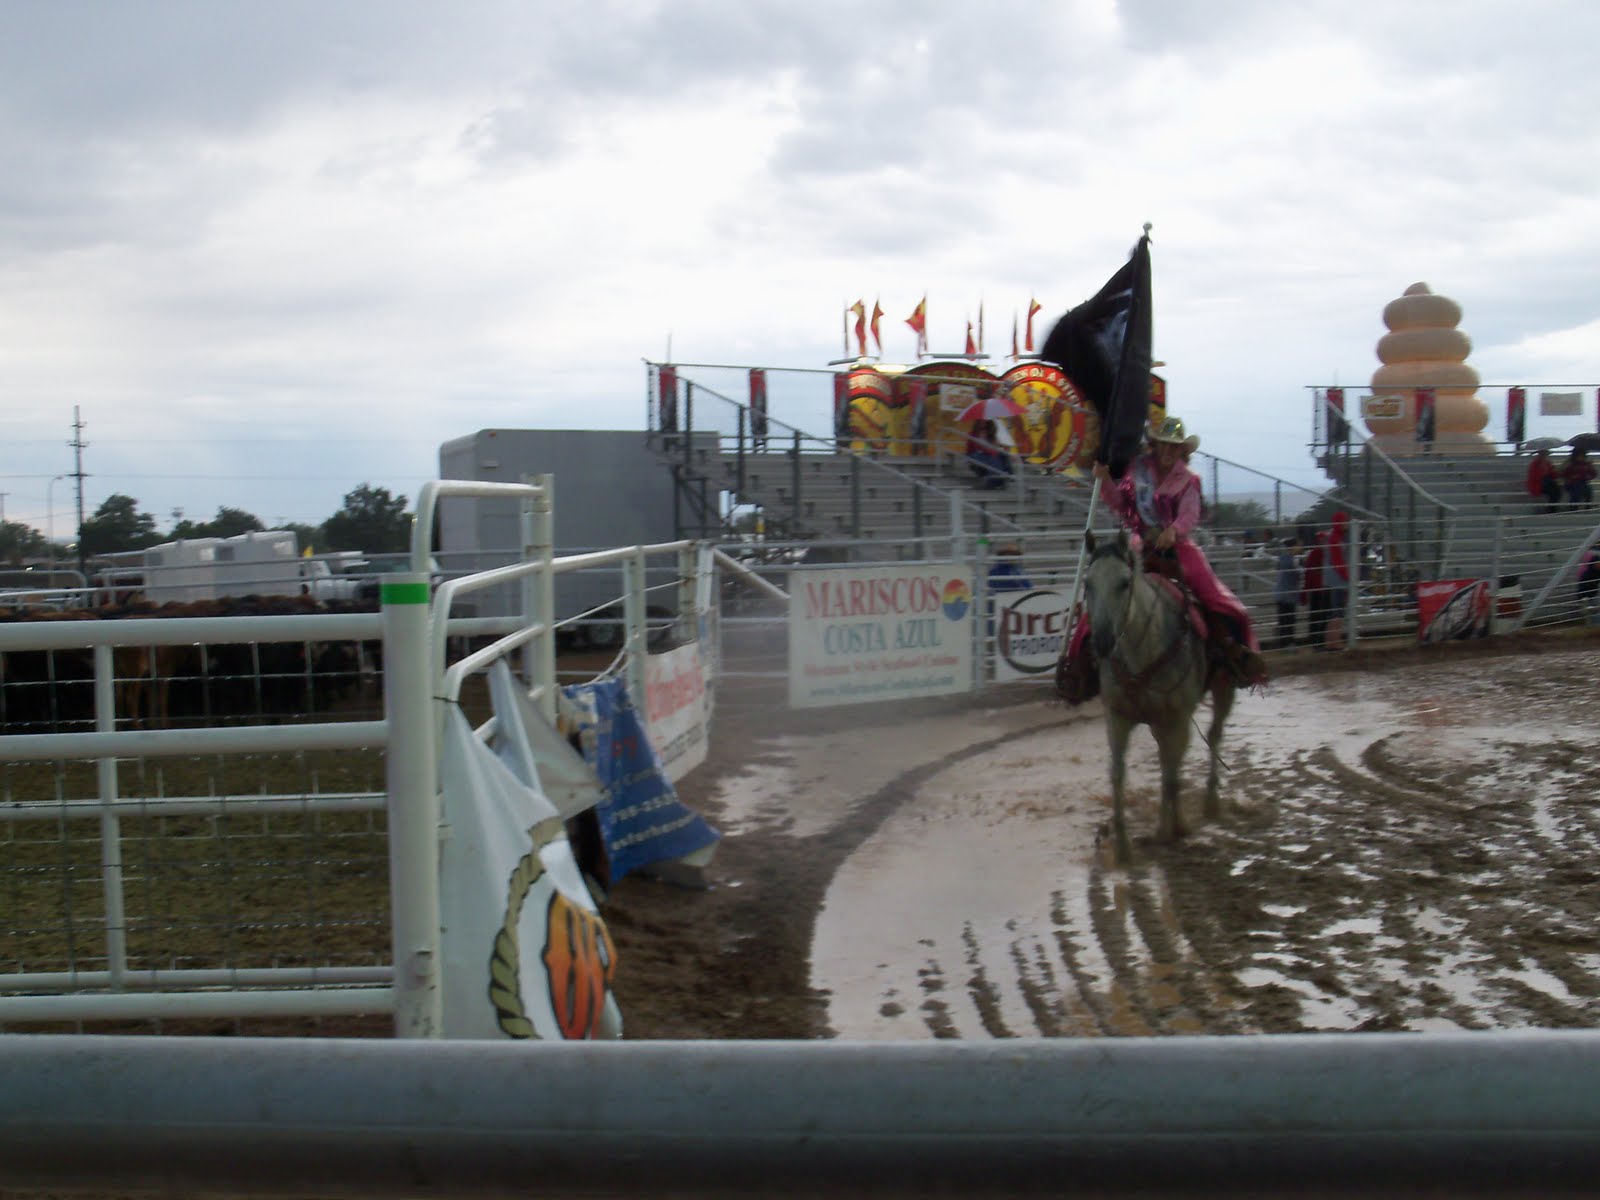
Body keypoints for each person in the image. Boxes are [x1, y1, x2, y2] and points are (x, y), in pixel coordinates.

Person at [1060, 416, 1267, 696]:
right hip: (1140, 545)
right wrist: (1105, 480)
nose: (1169, 452)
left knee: (1212, 594)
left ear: (1182, 451)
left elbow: (1190, 513)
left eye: (1174, 447)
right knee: (1108, 587)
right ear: (1155, 446)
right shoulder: (1138, 472)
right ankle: (1080, 664)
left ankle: (1233, 651)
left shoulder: (1189, 480)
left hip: (1178, 548)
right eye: (1164, 446)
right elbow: (1122, 505)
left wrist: (1175, 530)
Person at [1273, 535, 1302, 651]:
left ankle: (1284, 642)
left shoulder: (1283, 558)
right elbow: (1296, 574)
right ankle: (1288, 643)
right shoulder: (1290, 560)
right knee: (1289, 619)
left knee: (1284, 619)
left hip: (1281, 593)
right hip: (1288, 594)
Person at [965, 419, 1012, 489]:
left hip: (987, 454)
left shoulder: (990, 434)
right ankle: (994, 479)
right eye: (981, 422)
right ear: (977, 423)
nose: (982, 423)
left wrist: (1002, 448)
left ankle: (1008, 474)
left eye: (984, 422)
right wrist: (982, 438)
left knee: (1003, 455)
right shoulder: (973, 434)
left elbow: (996, 445)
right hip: (974, 454)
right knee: (993, 457)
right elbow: (978, 447)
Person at [1526, 448, 1560, 513]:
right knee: (1554, 489)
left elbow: (1554, 475)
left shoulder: (1548, 463)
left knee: (1556, 489)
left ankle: (1552, 508)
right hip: (1539, 485)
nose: (1545, 455)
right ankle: (1551, 509)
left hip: (1547, 484)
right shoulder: (1535, 464)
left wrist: (1554, 471)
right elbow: (1534, 477)